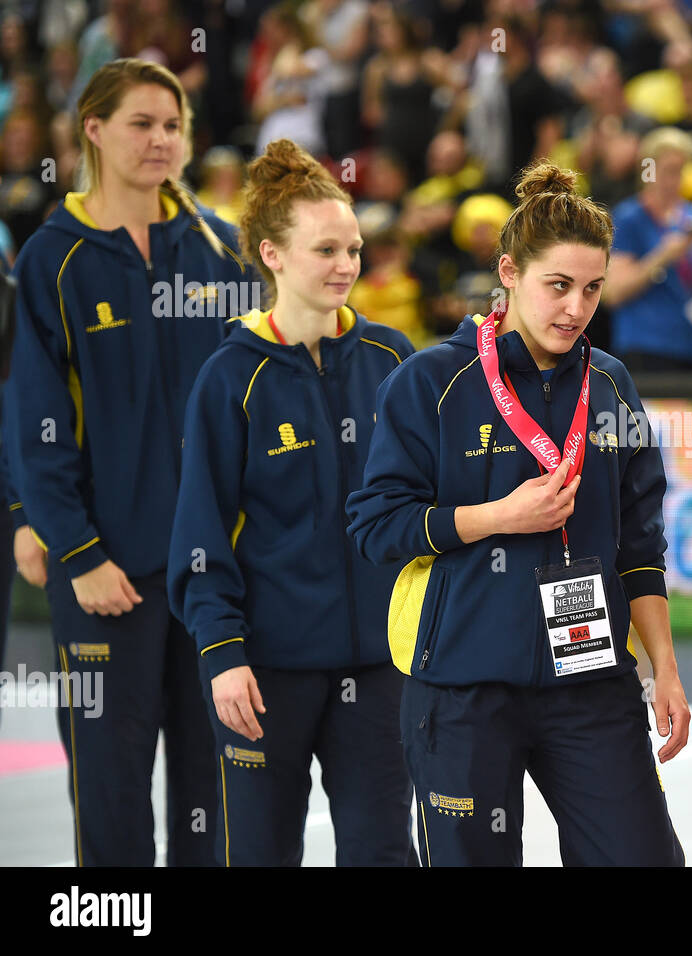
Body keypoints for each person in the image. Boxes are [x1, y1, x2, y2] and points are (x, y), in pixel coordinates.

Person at [346, 161, 689, 866]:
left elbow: (641, 544)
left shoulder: (611, 384)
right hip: (464, 689)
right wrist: (496, 516)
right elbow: (376, 526)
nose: (575, 308)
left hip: (591, 681)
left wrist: (665, 669)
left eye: (592, 289)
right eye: (557, 286)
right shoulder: (432, 382)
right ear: (509, 271)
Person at [4, 58, 249, 866]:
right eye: (141, 124)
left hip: (212, 578)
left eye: (173, 126)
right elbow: (36, 419)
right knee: (109, 791)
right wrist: (76, 549)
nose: (161, 141)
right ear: (95, 130)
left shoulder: (220, 248)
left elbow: (248, 405)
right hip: (105, 575)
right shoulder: (52, 260)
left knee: (213, 787)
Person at [167, 139, 416, 866]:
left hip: (380, 672)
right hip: (264, 673)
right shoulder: (229, 379)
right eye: (326, 250)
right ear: (272, 255)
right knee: (260, 854)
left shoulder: (393, 360)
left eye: (355, 249)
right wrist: (222, 655)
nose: (346, 266)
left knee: (382, 853)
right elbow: (200, 533)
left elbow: (425, 507)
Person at [604, 127, 692, 372]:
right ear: (648, 171)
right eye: (669, 171)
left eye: (681, 171)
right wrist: (662, 256)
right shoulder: (629, 217)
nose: (676, 180)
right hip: (646, 347)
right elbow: (613, 293)